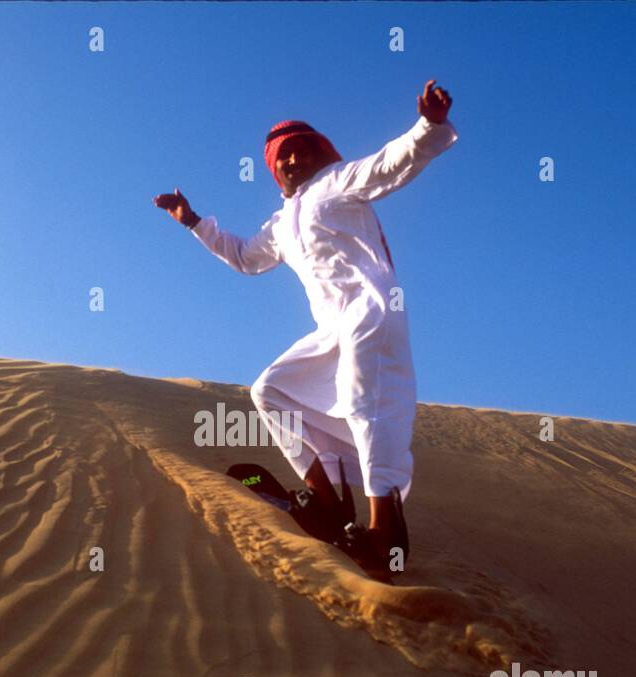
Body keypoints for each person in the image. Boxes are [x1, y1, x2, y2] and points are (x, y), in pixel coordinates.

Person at [154, 79, 457, 580]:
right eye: (281, 159)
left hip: (371, 314)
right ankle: (326, 499)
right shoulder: (280, 222)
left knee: (365, 409)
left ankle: (385, 531)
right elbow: (245, 258)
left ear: (320, 153)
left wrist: (428, 125)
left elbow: (391, 163)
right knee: (269, 391)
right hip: (330, 329)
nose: (291, 162)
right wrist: (193, 222)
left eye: (300, 152)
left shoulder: (340, 181)